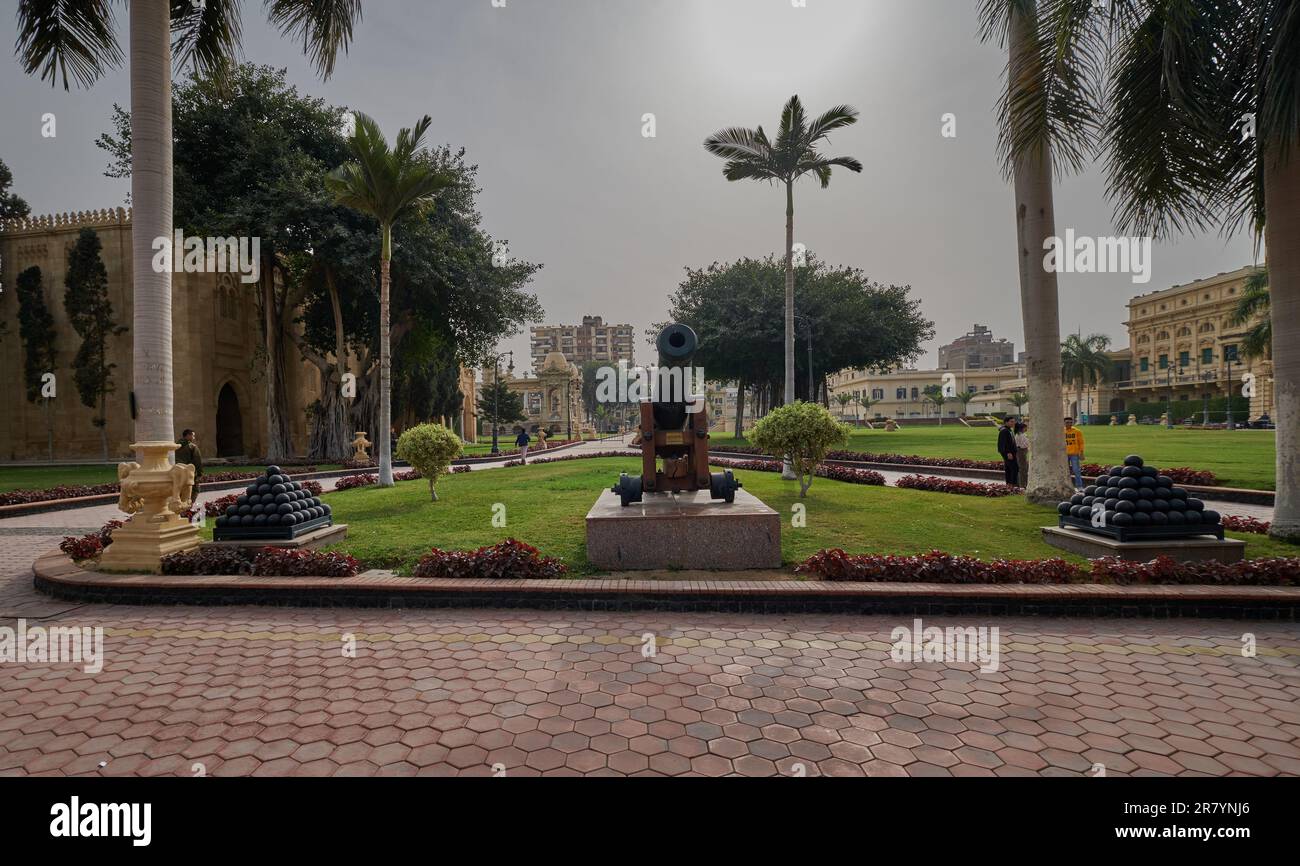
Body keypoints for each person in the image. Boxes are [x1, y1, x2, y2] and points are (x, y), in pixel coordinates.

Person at [1064, 416, 1086, 489]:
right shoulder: (1061, 431)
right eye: (1067, 422)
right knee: (1065, 471)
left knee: (1076, 470)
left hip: (1074, 454)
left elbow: (1081, 443)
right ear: (1064, 423)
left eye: (1070, 422)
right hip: (1064, 455)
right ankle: (1066, 486)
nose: (1069, 424)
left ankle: (1079, 486)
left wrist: (1081, 453)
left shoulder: (1077, 431)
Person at [996, 416, 1018, 486]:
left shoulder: (1008, 430)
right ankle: (1012, 484)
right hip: (1008, 453)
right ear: (1006, 422)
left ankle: (1010, 484)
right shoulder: (1004, 431)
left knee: (1010, 468)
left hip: (1011, 452)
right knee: (1013, 468)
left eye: (1014, 421)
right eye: (1011, 421)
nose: (1013, 423)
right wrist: (1008, 453)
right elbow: (1003, 443)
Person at [1014, 421, 1029, 487]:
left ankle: (1023, 483)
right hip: (1021, 451)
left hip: (1022, 451)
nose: (1026, 429)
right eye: (1025, 428)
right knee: (1023, 469)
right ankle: (1023, 484)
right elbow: (1024, 445)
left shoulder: (1021, 435)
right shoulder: (1020, 435)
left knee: (1024, 468)